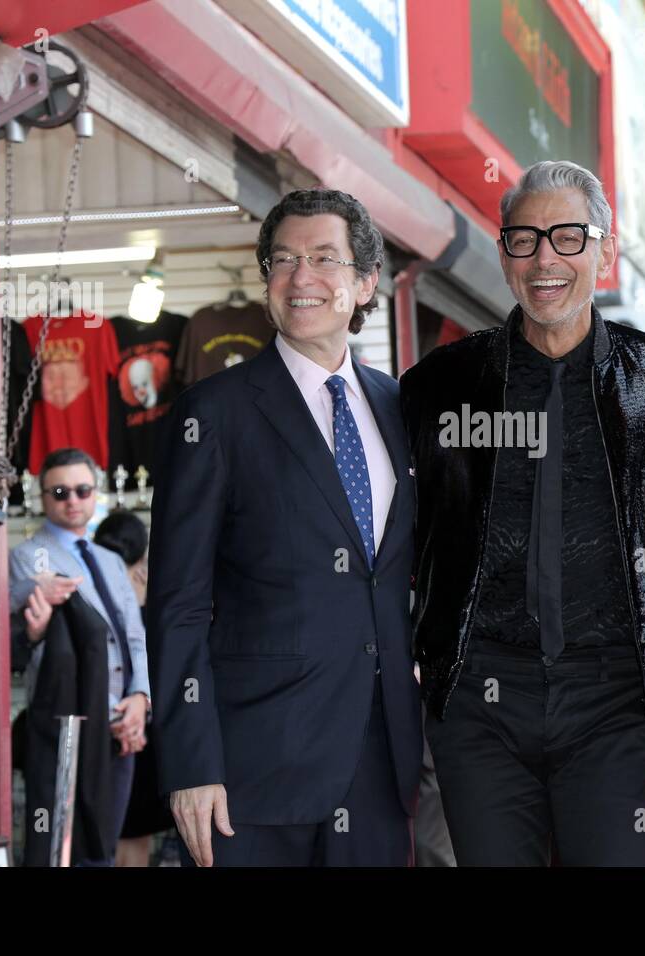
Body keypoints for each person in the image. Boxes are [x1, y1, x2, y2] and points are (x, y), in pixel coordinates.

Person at [401, 160, 645, 865]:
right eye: (525, 239)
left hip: (616, 703)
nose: (546, 259)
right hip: (479, 703)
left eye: (569, 237)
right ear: (504, 251)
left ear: (605, 251)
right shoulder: (438, 387)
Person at [147, 188, 422, 867]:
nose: (301, 278)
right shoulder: (212, 413)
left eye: (325, 258)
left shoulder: (401, 407)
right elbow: (178, 603)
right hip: (249, 777)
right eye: (284, 259)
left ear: (364, 284)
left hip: (381, 768)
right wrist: (190, 763)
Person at [8, 447, 150, 866]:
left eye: (82, 490)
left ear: (95, 494)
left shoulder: (108, 559)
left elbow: (134, 636)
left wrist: (140, 699)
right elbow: (33, 635)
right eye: (60, 491)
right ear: (43, 497)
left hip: (124, 720)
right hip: (69, 721)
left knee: (103, 842)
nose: (72, 499)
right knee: (60, 844)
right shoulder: (28, 556)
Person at [91, 511, 176, 867]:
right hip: (146, 728)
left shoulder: (90, 587)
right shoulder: (156, 598)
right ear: (142, 553)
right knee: (133, 838)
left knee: (98, 837)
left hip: (99, 723)